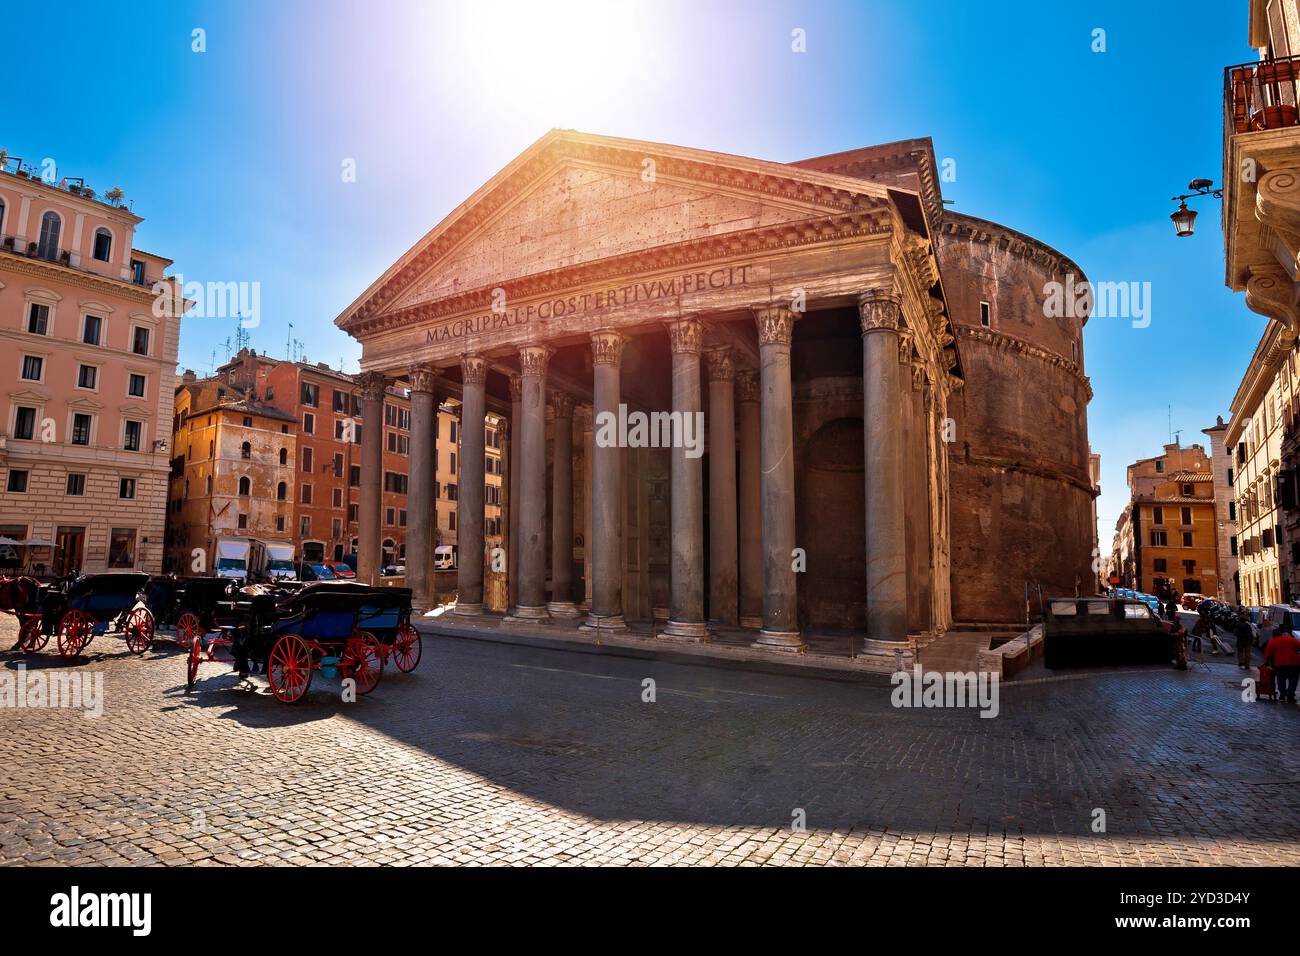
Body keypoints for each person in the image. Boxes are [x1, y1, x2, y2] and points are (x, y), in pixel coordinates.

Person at [1264, 627, 1300, 703]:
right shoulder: (1290, 639)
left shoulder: (1272, 641)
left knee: (1281, 679)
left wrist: (1267, 664)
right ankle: (1290, 695)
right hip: (1294, 663)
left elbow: (1267, 654)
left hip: (1280, 664)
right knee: (1293, 680)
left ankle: (1282, 695)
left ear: (1273, 635)